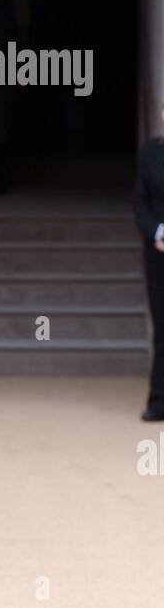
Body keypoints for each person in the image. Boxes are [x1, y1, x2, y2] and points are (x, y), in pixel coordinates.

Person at [132, 102, 164, 421]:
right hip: (159, 253)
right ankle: (159, 399)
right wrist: (158, 230)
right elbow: (140, 202)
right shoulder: (151, 153)